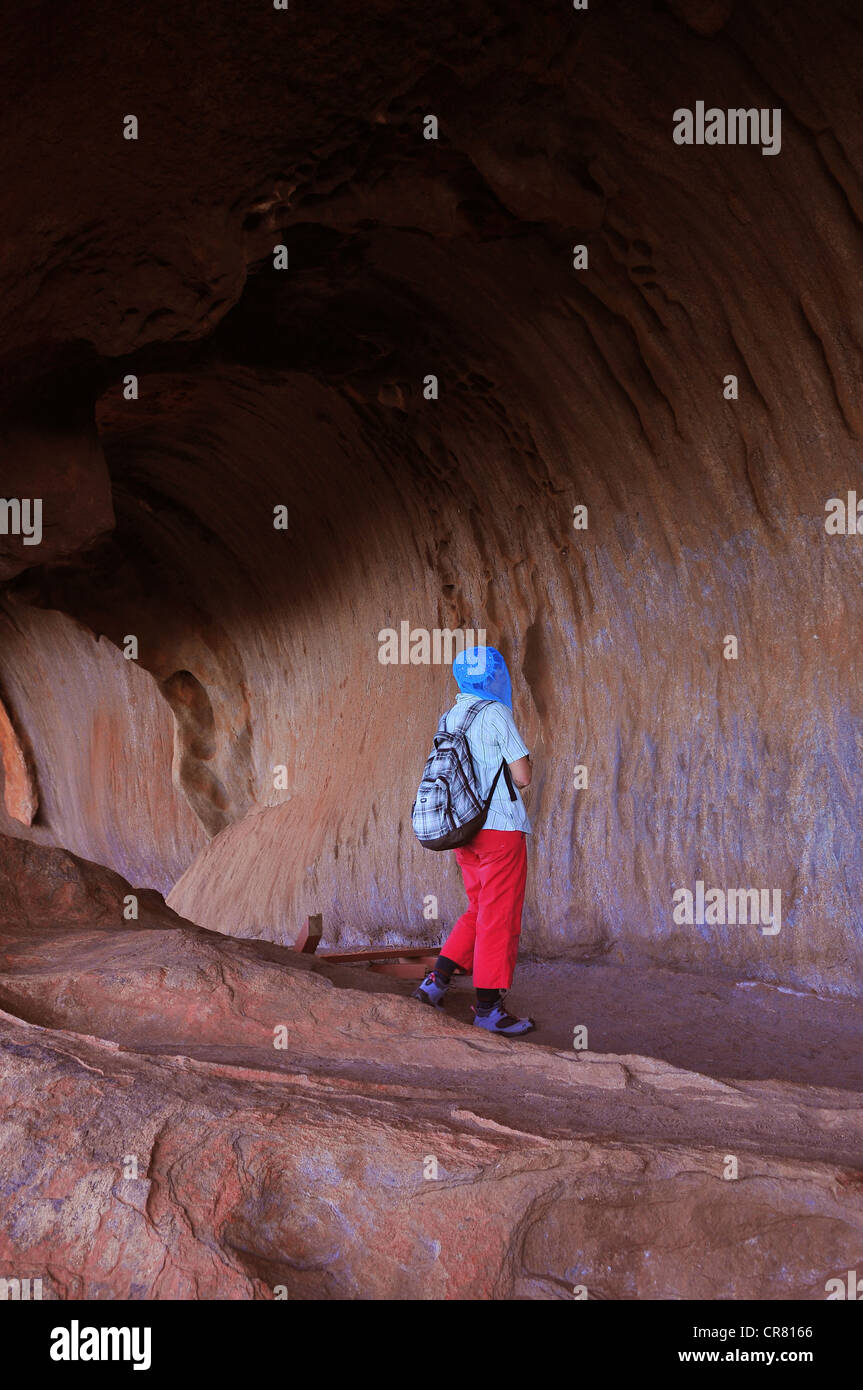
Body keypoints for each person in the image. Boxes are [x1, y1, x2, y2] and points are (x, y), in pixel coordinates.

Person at [413, 645, 536, 1034]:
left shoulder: (451, 715)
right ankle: (488, 1009)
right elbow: (523, 776)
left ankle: (436, 983)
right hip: (500, 830)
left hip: (464, 830)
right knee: (498, 917)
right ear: (494, 676)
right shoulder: (496, 713)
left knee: (479, 908)